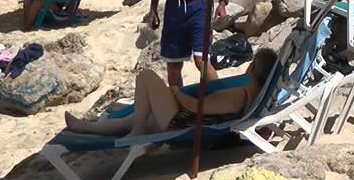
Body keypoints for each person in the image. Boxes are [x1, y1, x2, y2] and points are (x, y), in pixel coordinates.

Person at [65, 48, 276, 137]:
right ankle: (84, 127)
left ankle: (137, 132)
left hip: (183, 121)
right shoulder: (251, 92)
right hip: (185, 117)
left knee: (146, 76)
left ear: (254, 66)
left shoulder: (241, 93)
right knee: (135, 117)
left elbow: (197, 107)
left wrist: (176, 92)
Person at [147, 0, 220, 88]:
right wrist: (153, 7)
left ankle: (219, 94)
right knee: (173, 66)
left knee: (202, 62)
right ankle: (179, 100)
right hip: (174, 6)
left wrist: (223, 2)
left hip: (201, 5)